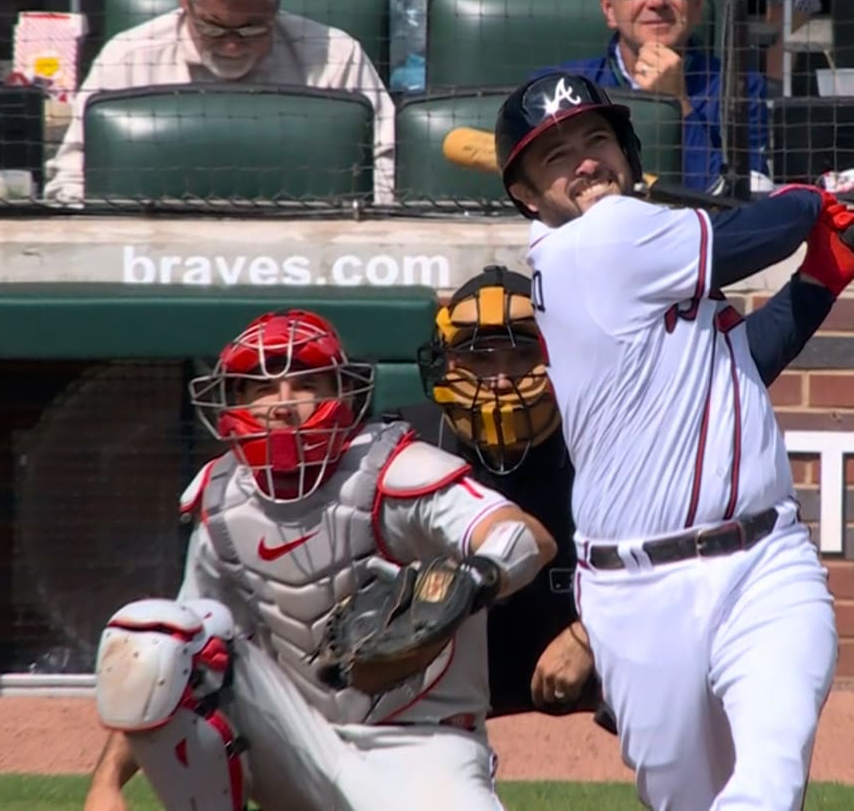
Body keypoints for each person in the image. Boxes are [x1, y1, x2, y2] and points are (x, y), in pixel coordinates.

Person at [494, 70, 854, 810]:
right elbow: (758, 233)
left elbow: (735, 364)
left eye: (597, 139)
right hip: (639, 594)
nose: (586, 161)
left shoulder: (640, 250)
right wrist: (809, 198)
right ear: (529, 196)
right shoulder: (595, 243)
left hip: (767, 562)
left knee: (769, 774)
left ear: (628, 151)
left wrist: (818, 284)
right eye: (556, 156)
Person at [81, 309, 554, 811]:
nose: (283, 404)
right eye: (262, 387)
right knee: (156, 634)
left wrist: (471, 580)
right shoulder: (220, 497)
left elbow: (531, 540)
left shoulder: (394, 470)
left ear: (342, 393)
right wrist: (105, 784)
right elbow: (174, 655)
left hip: (423, 744)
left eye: (306, 383)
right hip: (298, 743)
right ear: (235, 401)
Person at [384, 249, 849, 730]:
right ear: (446, 364)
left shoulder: (613, 435)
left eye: (523, 355)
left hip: (596, 664)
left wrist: (590, 637)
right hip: (444, 679)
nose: (501, 380)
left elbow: (679, 572)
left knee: (682, 652)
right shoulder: (409, 445)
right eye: (481, 359)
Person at [46, 0, 395, 205]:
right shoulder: (128, 59)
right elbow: (72, 181)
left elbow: (390, 172)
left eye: (252, 28)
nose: (231, 46)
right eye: (213, 27)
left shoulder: (335, 57)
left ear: (277, 1)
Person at [537, 0, 771, 194]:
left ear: (697, 4)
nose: (657, 1)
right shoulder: (560, 88)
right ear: (609, 8)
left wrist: (678, 105)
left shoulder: (740, 88)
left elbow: (742, 197)